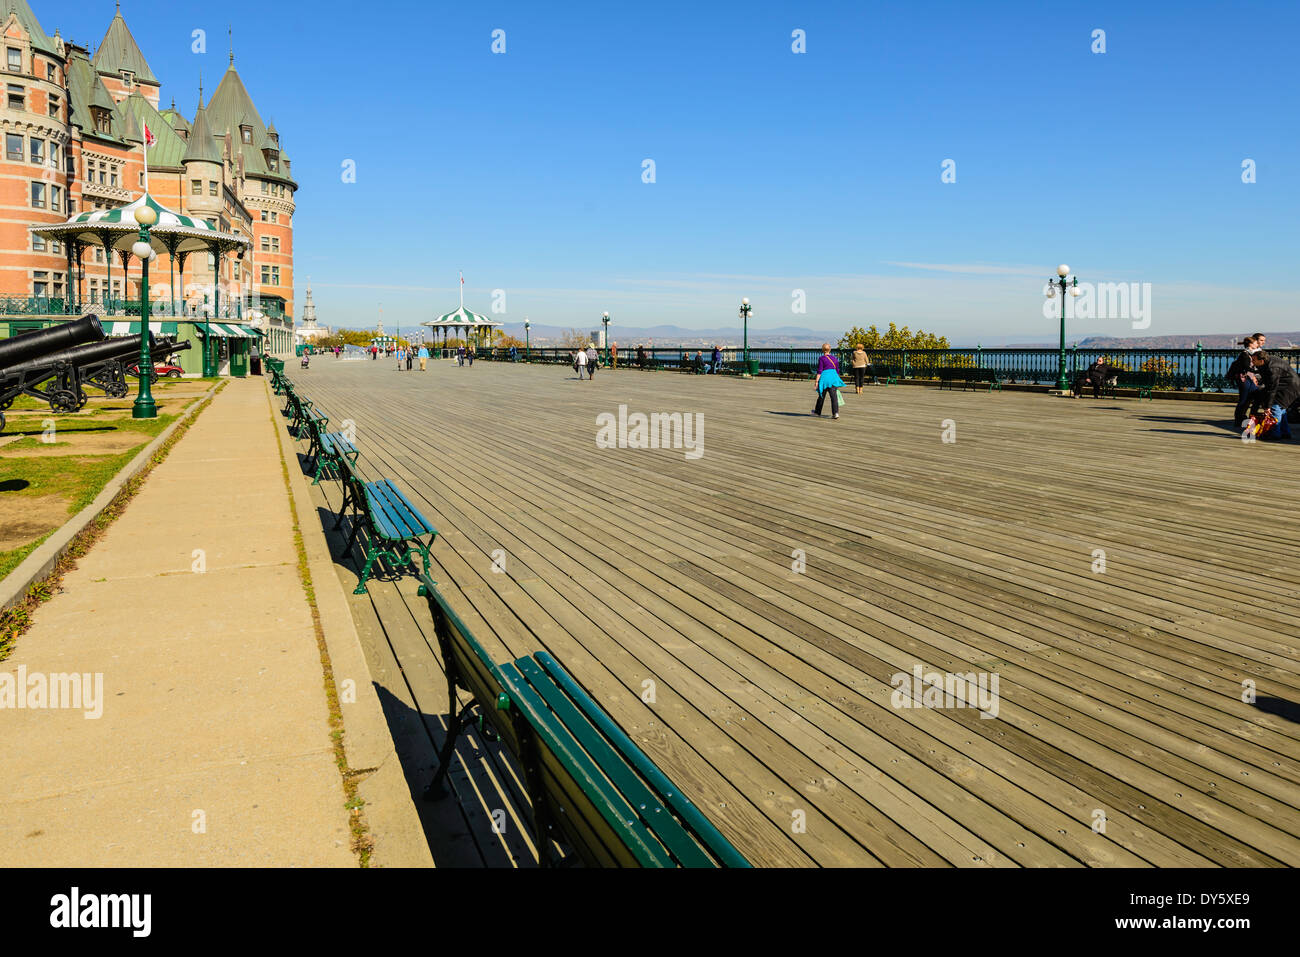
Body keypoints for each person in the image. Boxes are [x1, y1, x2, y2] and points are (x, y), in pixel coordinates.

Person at [1246, 350, 1299, 439]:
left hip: (1286, 388)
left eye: (1254, 360)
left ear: (1261, 360)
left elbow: (1272, 389)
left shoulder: (1272, 368)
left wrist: (1268, 406)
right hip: (1289, 386)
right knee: (1281, 410)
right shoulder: (1267, 362)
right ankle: (1285, 432)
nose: (1252, 362)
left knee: (1275, 408)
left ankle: (1275, 434)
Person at [1228, 336, 1261, 424]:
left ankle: (1249, 416)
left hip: (1249, 379)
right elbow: (1246, 367)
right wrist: (1258, 371)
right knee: (1243, 399)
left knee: (1255, 395)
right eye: (1255, 343)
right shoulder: (1244, 354)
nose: (1257, 345)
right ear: (1250, 344)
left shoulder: (1250, 353)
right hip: (1243, 379)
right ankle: (1239, 418)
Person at [811, 342, 845, 419]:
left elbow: (819, 371)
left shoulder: (821, 358)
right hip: (833, 378)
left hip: (825, 379)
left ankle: (817, 412)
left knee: (821, 396)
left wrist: (816, 382)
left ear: (823, 350)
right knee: (834, 397)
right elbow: (837, 371)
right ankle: (835, 413)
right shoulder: (835, 359)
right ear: (830, 349)